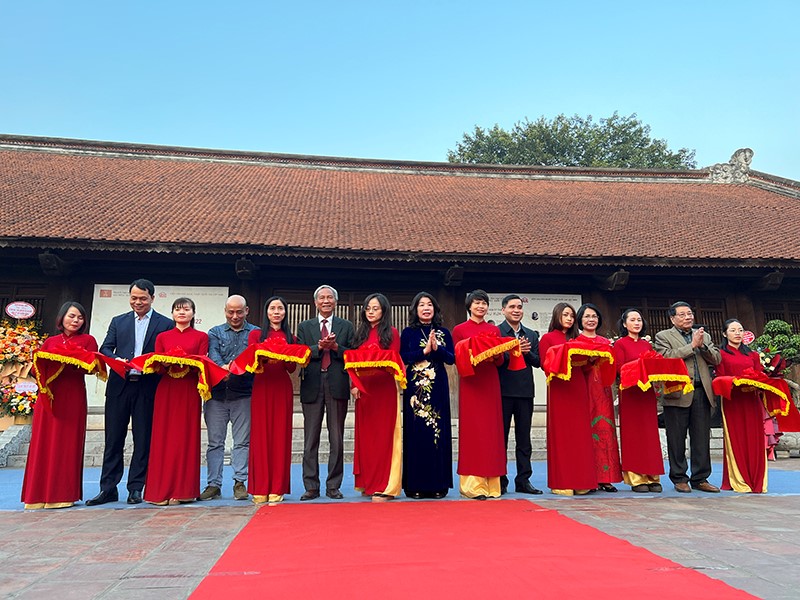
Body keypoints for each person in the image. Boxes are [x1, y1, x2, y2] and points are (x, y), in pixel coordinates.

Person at [88, 279, 173, 506]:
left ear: (152, 298)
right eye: (134, 298)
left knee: (143, 439)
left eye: (143, 298)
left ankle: (136, 487)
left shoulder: (165, 324)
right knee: (113, 439)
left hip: (147, 387)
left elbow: (167, 354)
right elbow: (106, 347)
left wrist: (150, 363)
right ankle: (108, 488)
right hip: (119, 386)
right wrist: (117, 360)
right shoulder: (119, 321)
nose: (138, 302)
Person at [22, 302, 98, 509]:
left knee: (68, 443)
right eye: (71, 316)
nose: (75, 321)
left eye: (80, 318)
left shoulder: (88, 340)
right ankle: (37, 495)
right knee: (43, 443)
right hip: (49, 396)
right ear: (62, 317)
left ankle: (63, 494)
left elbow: (92, 367)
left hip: (72, 396)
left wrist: (74, 359)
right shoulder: (50, 342)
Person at [144, 297, 208, 505]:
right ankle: (160, 490)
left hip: (189, 390)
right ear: (172, 313)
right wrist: (161, 362)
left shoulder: (201, 337)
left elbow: (202, 364)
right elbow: (158, 367)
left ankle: (183, 491)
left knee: (185, 437)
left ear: (193, 313)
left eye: (186, 309)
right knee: (163, 437)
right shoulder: (162, 337)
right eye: (178, 309)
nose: (182, 313)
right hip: (166, 389)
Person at [654, 301, 722, 493]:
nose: (688, 317)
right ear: (672, 318)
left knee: (701, 438)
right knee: (676, 437)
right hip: (677, 393)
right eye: (682, 315)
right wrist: (691, 346)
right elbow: (666, 357)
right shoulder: (663, 336)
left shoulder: (703, 335)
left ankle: (700, 478)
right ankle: (679, 477)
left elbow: (716, 358)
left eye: (690, 314)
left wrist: (702, 346)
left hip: (702, 392)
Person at [296, 285, 355, 501]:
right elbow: (300, 352)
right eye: (322, 298)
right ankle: (311, 486)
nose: (326, 301)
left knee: (336, 438)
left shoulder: (346, 326)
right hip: (312, 383)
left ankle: (333, 486)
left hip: (337, 384)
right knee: (310, 437)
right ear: (315, 302)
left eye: (330, 297)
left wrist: (337, 347)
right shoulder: (305, 326)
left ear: (336, 302)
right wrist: (318, 347)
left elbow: (353, 354)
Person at [200, 295, 258, 502]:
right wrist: (224, 367)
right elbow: (213, 355)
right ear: (225, 311)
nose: (235, 316)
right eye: (230, 312)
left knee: (242, 442)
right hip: (216, 394)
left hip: (243, 393)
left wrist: (234, 367)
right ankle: (213, 484)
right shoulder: (214, 332)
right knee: (215, 443)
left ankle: (240, 482)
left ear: (247, 311)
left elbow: (251, 356)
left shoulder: (255, 332)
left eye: (239, 312)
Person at [452, 289, 506, 499]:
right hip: (471, 383)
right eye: (476, 303)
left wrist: (494, 357)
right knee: (473, 431)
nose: (480, 307)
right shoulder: (460, 329)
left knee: (492, 431)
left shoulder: (494, 330)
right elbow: (458, 357)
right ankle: (472, 486)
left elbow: (501, 359)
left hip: (490, 381)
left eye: (484, 303)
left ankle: (492, 484)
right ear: (469, 306)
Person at [399, 292, 454, 499]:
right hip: (415, 388)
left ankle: (439, 485)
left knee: (437, 434)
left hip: (437, 387)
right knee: (417, 434)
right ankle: (415, 485)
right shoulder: (408, 333)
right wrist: (424, 352)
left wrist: (437, 349)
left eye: (429, 304)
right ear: (415, 310)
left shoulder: (444, 332)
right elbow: (403, 356)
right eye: (421, 305)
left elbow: (451, 359)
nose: (426, 308)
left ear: (435, 309)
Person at [538, 302, 597, 495]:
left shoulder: (579, 338)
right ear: (557, 316)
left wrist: (592, 360)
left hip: (578, 387)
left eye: (572, 315)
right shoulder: (547, 338)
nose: (570, 318)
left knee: (580, 435)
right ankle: (562, 481)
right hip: (559, 388)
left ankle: (582, 481)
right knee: (562, 435)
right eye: (565, 315)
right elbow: (544, 365)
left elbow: (586, 369)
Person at [350, 293, 403, 501]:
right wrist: (354, 385)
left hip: (384, 390)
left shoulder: (391, 333)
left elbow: (395, 361)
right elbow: (352, 362)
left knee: (384, 437)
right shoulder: (360, 333)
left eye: (375, 308)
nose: (370, 312)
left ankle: (385, 485)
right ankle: (368, 483)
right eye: (368, 308)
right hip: (364, 391)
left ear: (384, 311)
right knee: (367, 439)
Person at [248, 296, 297, 504]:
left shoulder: (291, 337)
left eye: (280, 308)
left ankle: (277, 486)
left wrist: (284, 354)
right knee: (260, 436)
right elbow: (251, 361)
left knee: (280, 436)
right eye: (272, 308)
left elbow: (292, 367)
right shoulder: (256, 335)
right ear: (266, 312)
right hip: (261, 386)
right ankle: (260, 487)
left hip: (281, 387)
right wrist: (267, 354)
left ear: (285, 313)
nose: (276, 312)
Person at [613, 308, 664, 493]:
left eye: (639, 320)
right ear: (624, 324)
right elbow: (619, 369)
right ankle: (636, 477)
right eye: (632, 320)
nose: (637, 323)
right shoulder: (620, 344)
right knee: (633, 434)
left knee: (649, 434)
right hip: (630, 393)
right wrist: (638, 368)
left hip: (647, 394)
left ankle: (652, 476)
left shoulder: (646, 345)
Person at [716, 318, 769, 493]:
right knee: (736, 437)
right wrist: (735, 382)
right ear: (724, 334)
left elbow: (760, 375)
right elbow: (719, 378)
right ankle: (738, 479)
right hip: (733, 401)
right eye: (733, 330)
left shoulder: (753, 355)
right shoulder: (721, 355)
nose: (737, 333)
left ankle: (756, 477)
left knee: (754, 437)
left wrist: (757, 383)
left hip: (751, 401)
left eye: (740, 330)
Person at [497, 294, 542, 495]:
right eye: (512, 307)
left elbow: (538, 361)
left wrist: (526, 352)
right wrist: (511, 352)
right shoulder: (497, 332)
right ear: (503, 310)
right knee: (502, 438)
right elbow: (495, 358)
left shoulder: (531, 334)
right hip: (503, 391)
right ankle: (500, 480)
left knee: (524, 438)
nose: (516, 310)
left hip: (525, 392)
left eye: (519, 307)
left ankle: (523, 480)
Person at [576, 303, 622, 493]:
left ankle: (607, 477)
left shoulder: (606, 342)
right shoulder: (575, 342)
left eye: (594, 316)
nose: (591, 319)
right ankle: (589, 476)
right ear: (580, 320)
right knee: (586, 432)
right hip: (583, 392)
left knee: (605, 429)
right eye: (587, 316)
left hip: (603, 391)